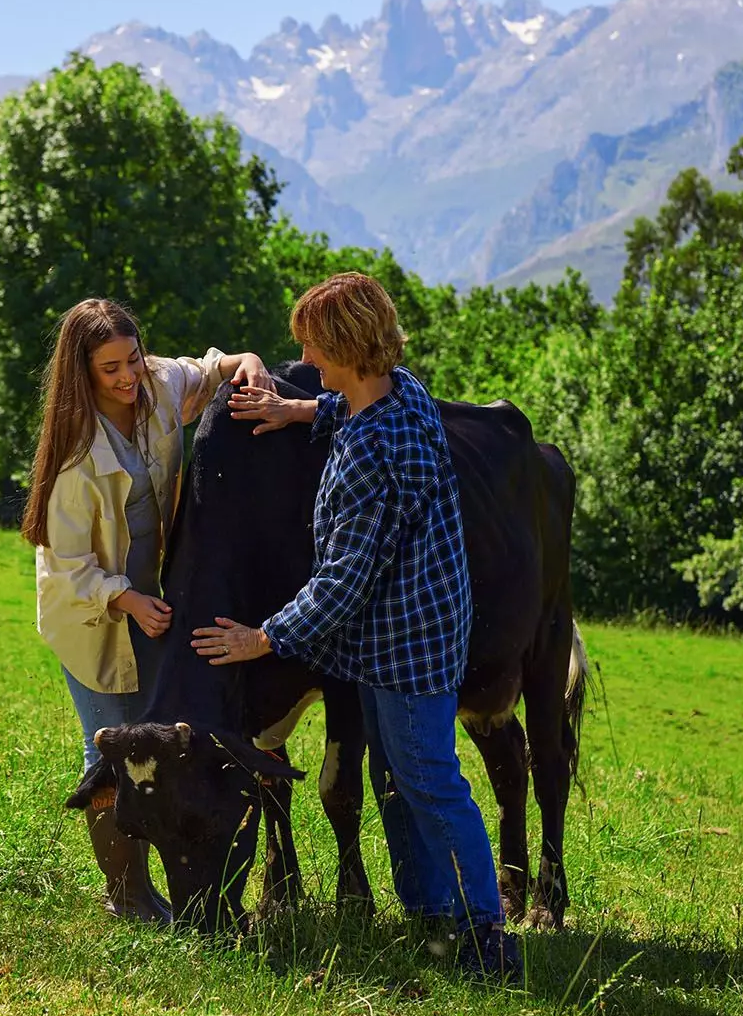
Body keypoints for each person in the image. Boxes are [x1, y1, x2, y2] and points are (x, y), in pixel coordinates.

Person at [191, 273, 519, 980]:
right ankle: (431, 915)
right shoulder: (406, 395)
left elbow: (343, 582)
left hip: (403, 648)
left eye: (311, 340)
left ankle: (484, 937)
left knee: (429, 780)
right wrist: (299, 409)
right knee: (398, 780)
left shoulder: (373, 451)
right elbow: (351, 405)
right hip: (421, 626)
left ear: (344, 342)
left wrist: (262, 638)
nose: (303, 351)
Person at [24, 298, 274, 922]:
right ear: (81, 371)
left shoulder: (159, 385)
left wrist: (249, 361)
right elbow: (67, 569)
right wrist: (127, 598)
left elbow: (210, 369)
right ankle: (127, 897)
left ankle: (172, 888)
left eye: (132, 358)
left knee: (153, 747)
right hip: (93, 613)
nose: (127, 376)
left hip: (151, 608)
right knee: (109, 749)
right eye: (109, 367)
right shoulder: (74, 458)